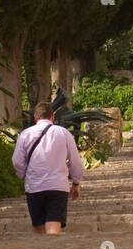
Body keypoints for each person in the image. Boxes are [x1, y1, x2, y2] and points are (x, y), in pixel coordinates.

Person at [12, 100, 84, 234]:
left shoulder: (25, 134)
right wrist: (76, 182)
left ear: (35, 118)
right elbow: (75, 161)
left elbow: (17, 161)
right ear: (53, 117)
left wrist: (24, 174)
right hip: (57, 185)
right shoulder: (64, 133)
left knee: (38, 226)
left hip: (34, 186)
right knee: (54, 224)